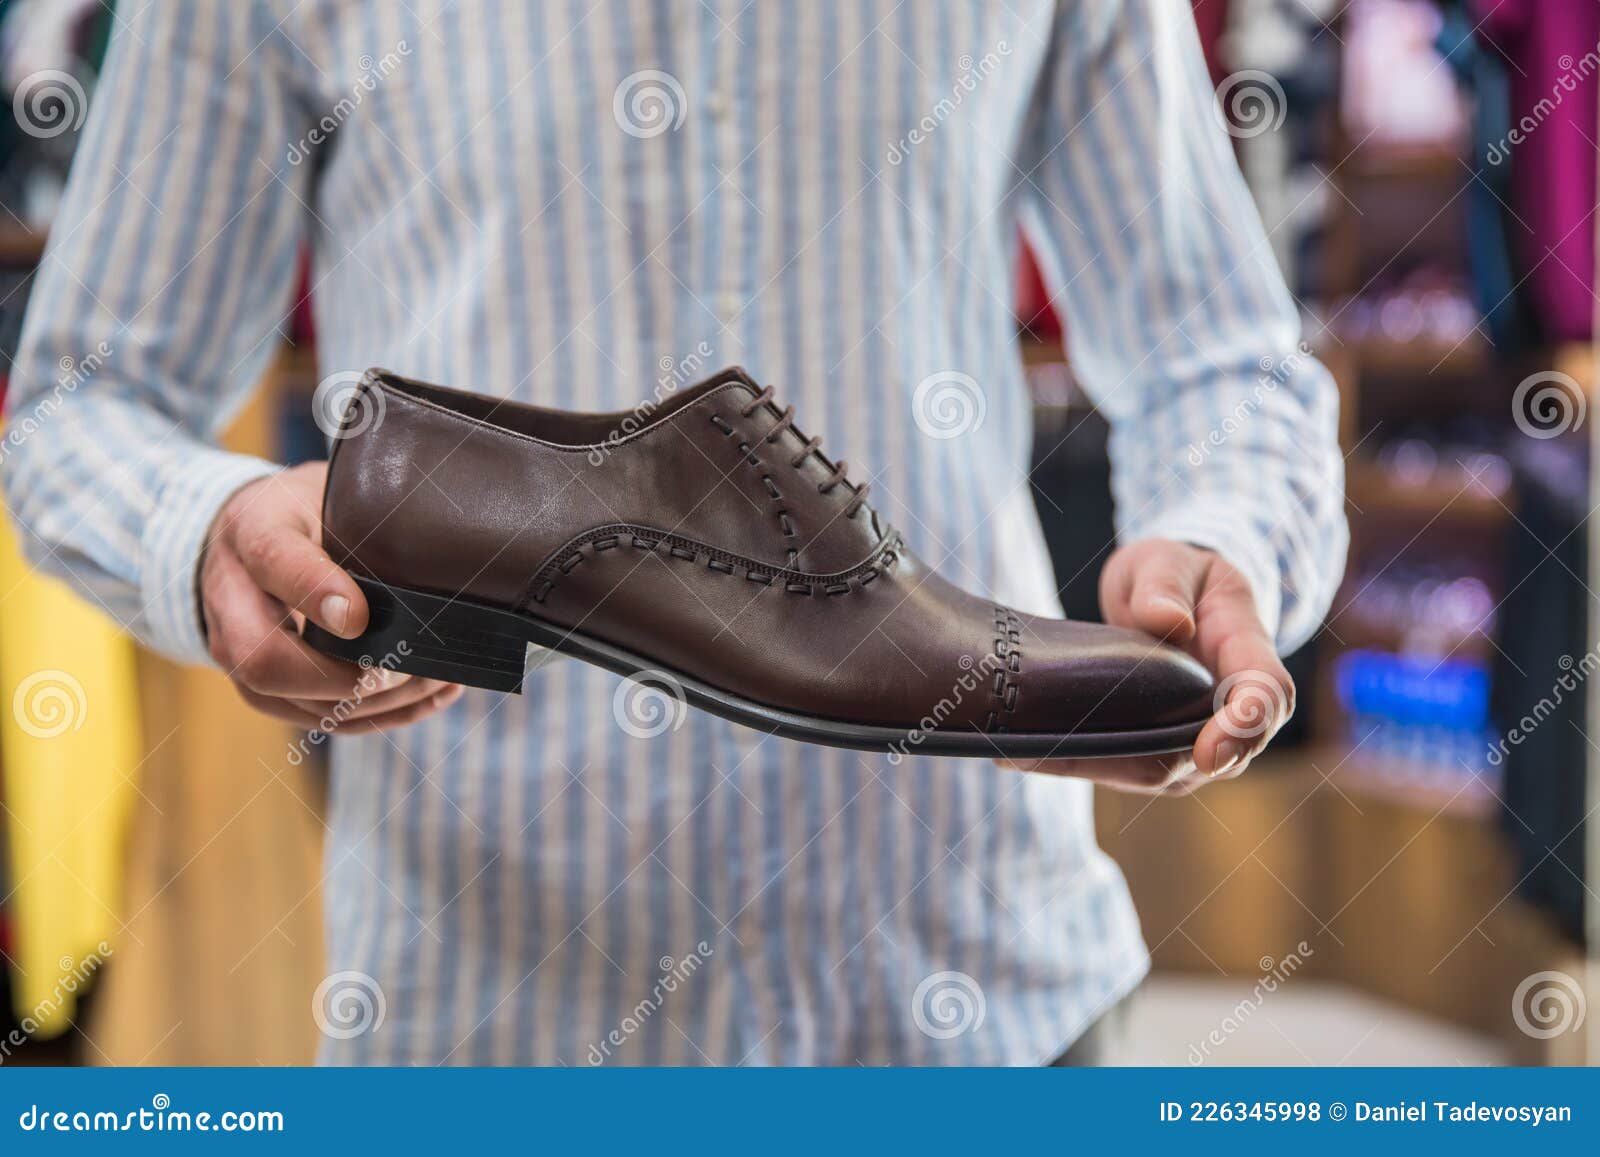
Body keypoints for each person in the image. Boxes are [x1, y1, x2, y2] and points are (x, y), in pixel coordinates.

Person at [3, 1, 1346, 1064]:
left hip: (979, 987)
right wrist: (208, 530)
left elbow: (1216, 352)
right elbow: (82, 401)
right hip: (495, 1019)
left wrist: (1224, 532)